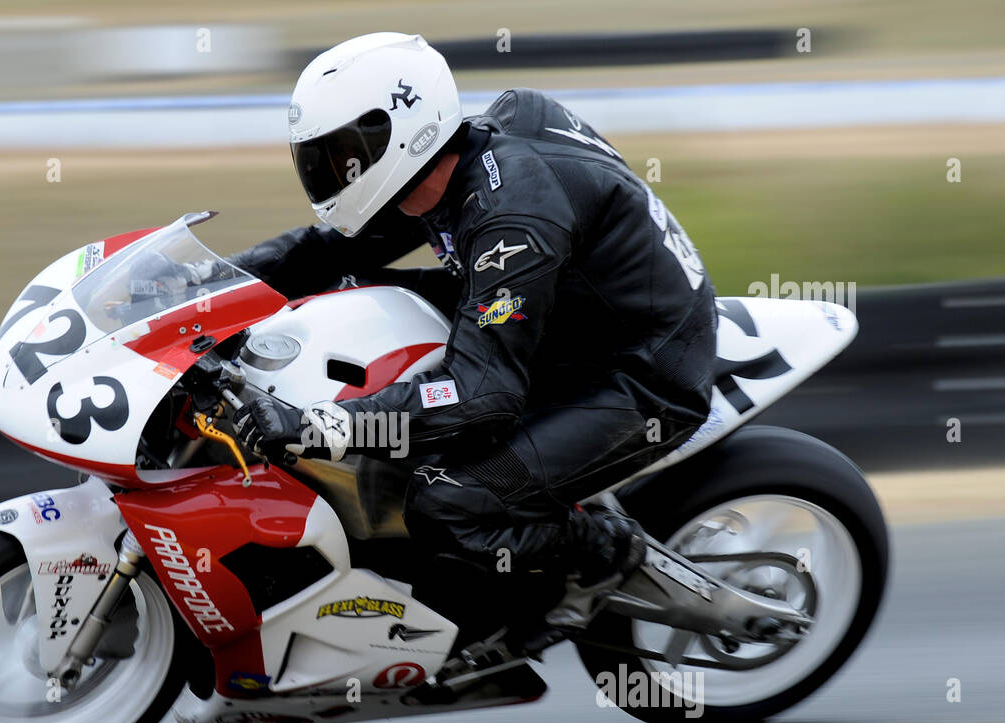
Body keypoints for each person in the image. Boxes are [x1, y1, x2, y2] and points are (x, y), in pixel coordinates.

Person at [229, 32, 717, 650]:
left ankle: (602, 550)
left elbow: (483, 394)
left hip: (637, 370)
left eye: (345, 153)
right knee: (344, 297)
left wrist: (324, 424)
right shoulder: (441, 170)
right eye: (320, 157)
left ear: (400, 133)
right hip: (558, 314)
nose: (332, 172)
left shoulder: (512, 218)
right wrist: (208, 285)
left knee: (445, 500)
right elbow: (330, 251)